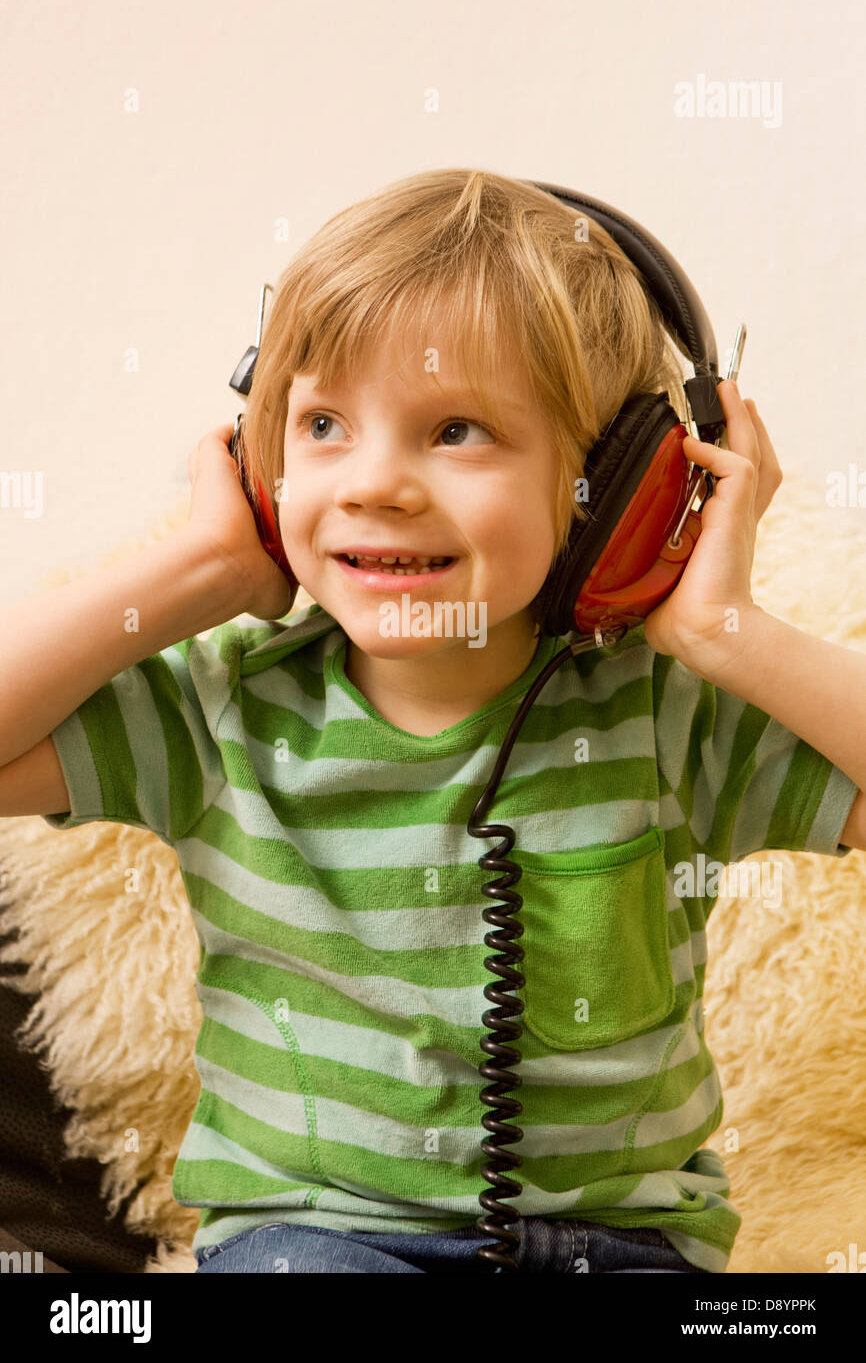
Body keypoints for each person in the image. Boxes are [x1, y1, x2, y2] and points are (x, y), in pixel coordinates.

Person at [1, 168, 863, 1276]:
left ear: (623, 485)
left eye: (454, 429)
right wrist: (200, 566)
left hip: (626, 1246)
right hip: (317, 1237)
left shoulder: (667, 715)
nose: (375, 483)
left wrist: (725, 629)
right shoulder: (219, 707)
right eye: (320, 424)